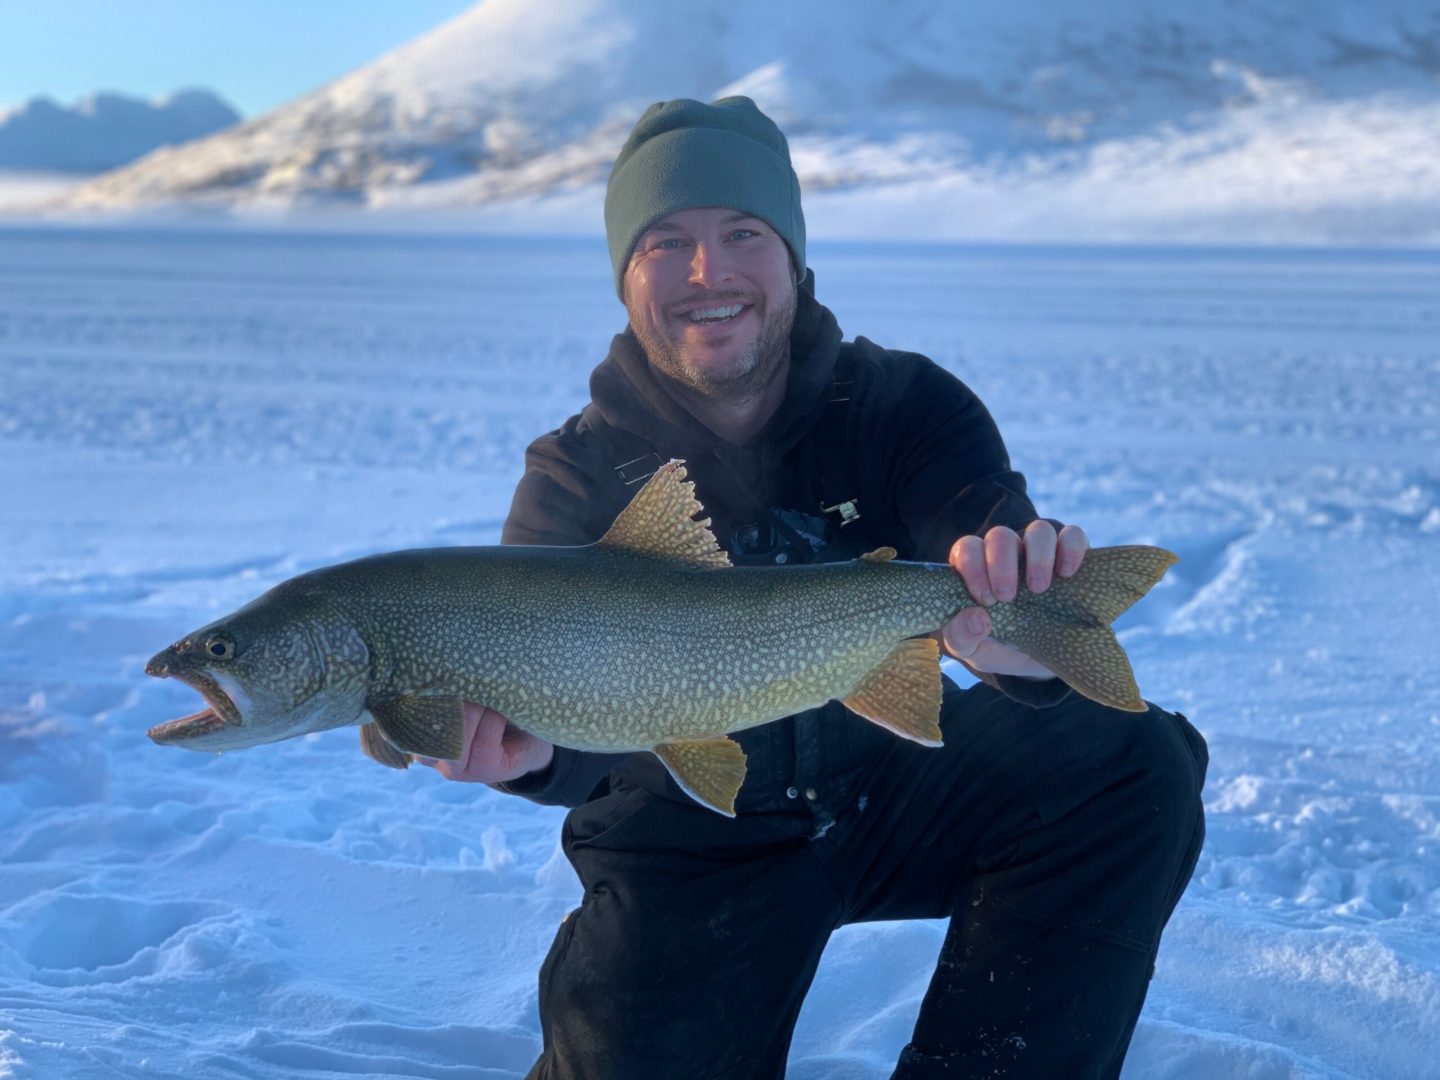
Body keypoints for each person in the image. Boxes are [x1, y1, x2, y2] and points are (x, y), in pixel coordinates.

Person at [416, 97, 1208, 1080]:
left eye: (742, 233)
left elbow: (978, 524)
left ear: (792, 256)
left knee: (1130, 760)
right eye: (666, 242)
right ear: (625, 277)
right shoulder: (575, 475)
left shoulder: (903, 403)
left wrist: (1017, 627)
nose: (708, 272)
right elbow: (566, 741)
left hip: (892, 780)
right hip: (685, 834)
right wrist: (534, 756)